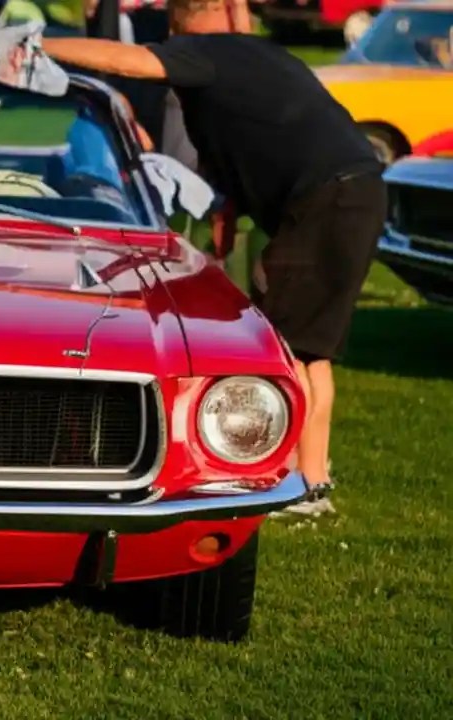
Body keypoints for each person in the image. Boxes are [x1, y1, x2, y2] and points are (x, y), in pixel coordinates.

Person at [38, 0, 387, 515]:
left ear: (180, 21)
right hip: (356, 193)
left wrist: (39, 46)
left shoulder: (208, 51)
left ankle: (290, 483)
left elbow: (127, 61)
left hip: (323, 200)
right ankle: (310, 483)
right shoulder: (255, 55)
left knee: (283, 347)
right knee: (312, 349)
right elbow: (233, 172)